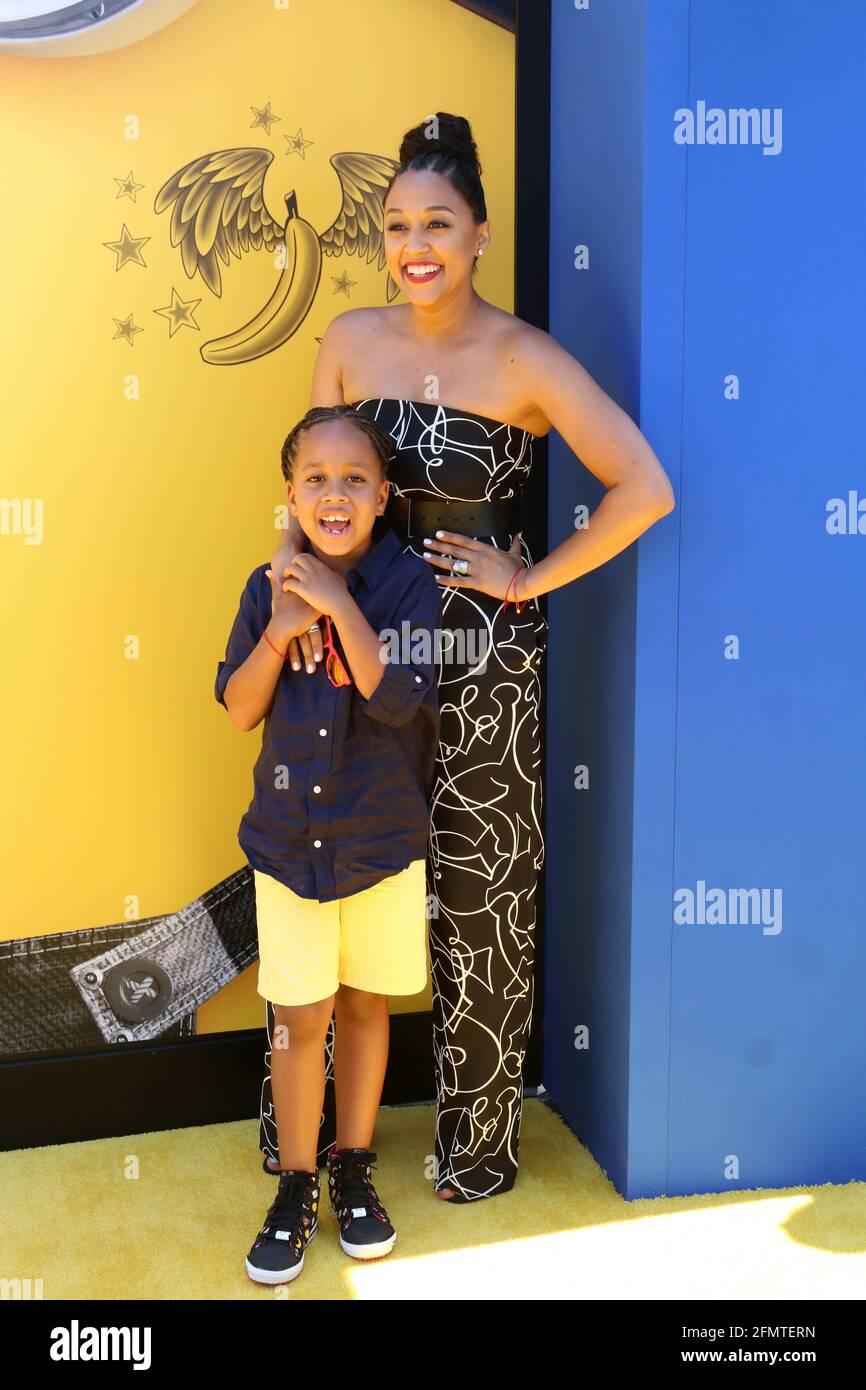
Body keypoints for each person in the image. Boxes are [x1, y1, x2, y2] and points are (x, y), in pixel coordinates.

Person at [259, 111, 675, 1203]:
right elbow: (309, 491)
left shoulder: (526, 357)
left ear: (479, 233)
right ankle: (302, 1141)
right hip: (359, 649)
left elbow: (644, 486)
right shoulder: (348, 340)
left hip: (488, 664)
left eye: (436, 222)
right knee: (333, 861)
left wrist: (526, 578)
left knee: (482, 889)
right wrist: (295, 604)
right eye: (395, 225)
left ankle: (477, 1143)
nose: (414, 245)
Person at [215, 406, 442, 1284]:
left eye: (355, 479)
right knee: (300, 1017)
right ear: (291, 494)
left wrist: (340, 603)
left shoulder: (407, 587)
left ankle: (354, 1167)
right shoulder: (262, 587)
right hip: (288, 846)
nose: (335, 494)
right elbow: (240, 708)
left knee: (365, 1007)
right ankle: (297, 1181)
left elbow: (396, 700)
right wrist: (282, 624)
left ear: (383, 497)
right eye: (317, 478)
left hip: (380, 841)